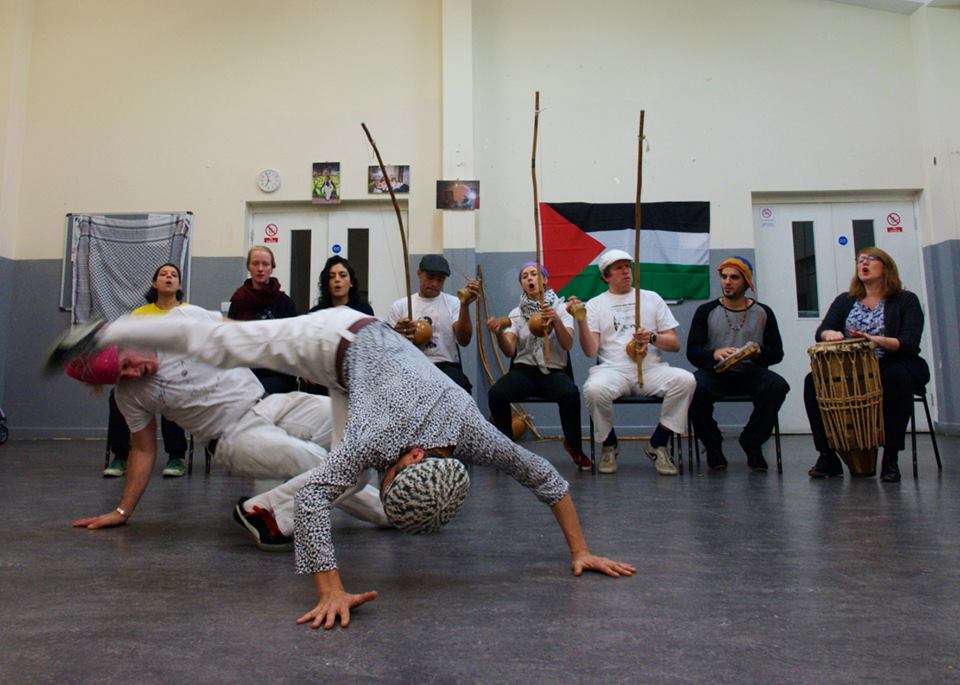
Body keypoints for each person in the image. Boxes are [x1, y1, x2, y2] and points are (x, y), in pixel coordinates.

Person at [50, 306, 636, 629]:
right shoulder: (382, 437)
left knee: (343, 477)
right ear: (411, 458)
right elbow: (312, 501)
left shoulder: (471, 432)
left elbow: (545, 477)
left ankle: (260, 511)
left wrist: (580, 550)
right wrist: (331, 590)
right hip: (331, 339)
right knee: (225, 342)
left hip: (360, 375)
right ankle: (110, 328)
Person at [65, 305, 387, 548]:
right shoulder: (130, 396)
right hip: (232, 436)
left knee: (353, 413)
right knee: (307, 458)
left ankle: (271, 509)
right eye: (123, 378)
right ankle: (392, 512)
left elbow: (241, 336)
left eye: (126, 365)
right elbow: (143, 449)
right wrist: (122, 512)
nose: (133, 375)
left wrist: (307, 365)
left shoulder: (182, 319)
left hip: (266, 403)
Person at [805, 247, 930, 483]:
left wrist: (876, 341)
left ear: (886, 267)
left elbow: (909, 342)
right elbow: (821, 331)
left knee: (897, 379)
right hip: (851, 367)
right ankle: (827, 455)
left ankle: (890, 457)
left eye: (871, 260)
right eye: (860, 260)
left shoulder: (905, 300)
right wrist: (830, 333)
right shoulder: (846, 300)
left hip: (889, 359)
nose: (864, 263)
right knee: (812, 382)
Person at [566, 249, 696, 476]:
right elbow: (590, 351)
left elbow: (674, 344)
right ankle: (609, 443)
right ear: (606, 276)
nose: (626, 271)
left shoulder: (651, 298)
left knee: (685, 380)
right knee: (594, 389)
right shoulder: (596, 304)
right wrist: (582, 321)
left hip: (651, 368)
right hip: (613, 370)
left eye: (627, 266)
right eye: (618, 267)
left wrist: (652, 338)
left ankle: (658, 443)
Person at [686, 256, 789, 472]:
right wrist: (715, 353)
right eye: (724, 277)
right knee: (694, 387)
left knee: (777, 386)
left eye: (734, 277)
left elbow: (776, 353)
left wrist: (758, 353)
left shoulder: (763, 312)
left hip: (751, 373)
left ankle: (752, 441)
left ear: (746, 282)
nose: (727, 282)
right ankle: (713, 444)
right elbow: (693, 352)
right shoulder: (706, 311)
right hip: (715, 373)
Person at [486, 262, 591, 471]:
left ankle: (574, 446)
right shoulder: (516, 312)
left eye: (534, 274)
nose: (529, 278)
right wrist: (498, 332)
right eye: (524, 276)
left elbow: (568, 344)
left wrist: (556, 320)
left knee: (570, 393)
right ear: (522, 284)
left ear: (545, 280)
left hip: (553, 371)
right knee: (496, 393)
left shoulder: (561, 308)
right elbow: (509, 350)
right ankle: (507, 449)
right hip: (524, 371)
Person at [104, 262, 190, 478]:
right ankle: (120, 457)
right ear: (154, 282)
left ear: (179, 284)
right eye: (163, 274)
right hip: (143, 375)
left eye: (173, 275)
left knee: (172, 394)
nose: (169, 277)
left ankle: (176, 457)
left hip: (175, 374)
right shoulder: (140, 313)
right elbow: (127, 346)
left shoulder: (188, 312)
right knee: (117, 397)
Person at [385, 254, 479, 394]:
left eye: (440, 280)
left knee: (461, 386)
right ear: (419, 273)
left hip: (446, 366)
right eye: (430, 277)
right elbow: (388, 349)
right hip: (413, 365)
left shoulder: (453, 303)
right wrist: (398, 335)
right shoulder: (401, 306)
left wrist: (464, 306)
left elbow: (464, 340)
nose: (435, 283)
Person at [227, 245, 299, 394]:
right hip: (245, 373)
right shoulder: (238, 300)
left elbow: (293, 341)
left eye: (265, 264)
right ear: (248, 267)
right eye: (255, 264)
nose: (260, 269)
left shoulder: (285, 303)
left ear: (272, 268)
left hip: (278, 374)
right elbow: (231, 338)